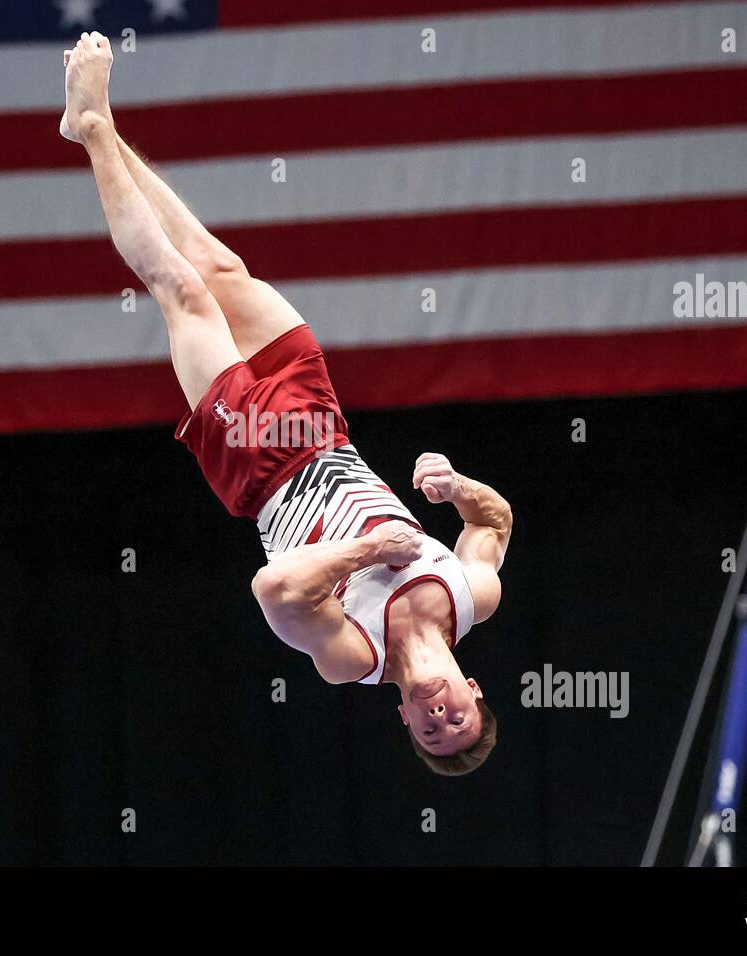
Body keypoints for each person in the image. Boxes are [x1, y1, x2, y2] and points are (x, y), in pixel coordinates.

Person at [61, 32, 513, 775]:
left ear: (402, 717)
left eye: (430, 732)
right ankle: (87, 127)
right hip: (323, 426)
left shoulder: (352, 657)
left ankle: (96, 122)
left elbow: (273, 586)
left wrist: (372, 550)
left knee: (181, 292)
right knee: (219, 265)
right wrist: (455, 487)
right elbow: (494, 520)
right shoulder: (472, 595)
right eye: (456, 718)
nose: (439, 716)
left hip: (263, 470)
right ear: (473, 687)